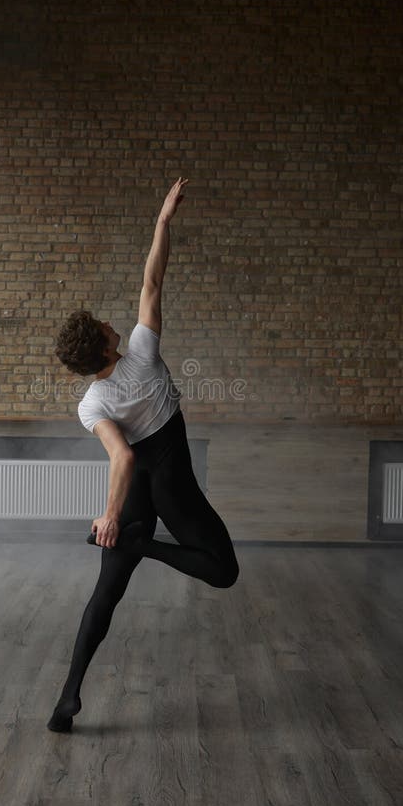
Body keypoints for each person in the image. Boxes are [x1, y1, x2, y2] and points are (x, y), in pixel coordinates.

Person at [48, 178, 239, 732]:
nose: (113, 321)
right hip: (170, 483)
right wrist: (162, 221)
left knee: (106, 592)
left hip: (135, 492)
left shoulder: (92, 403)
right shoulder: (143, 352)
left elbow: (120, 456)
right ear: (108, 344)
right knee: (223, 571)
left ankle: (68, 698)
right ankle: (146, 548)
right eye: (107, 325)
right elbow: (153, 279)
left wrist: (113, 514)